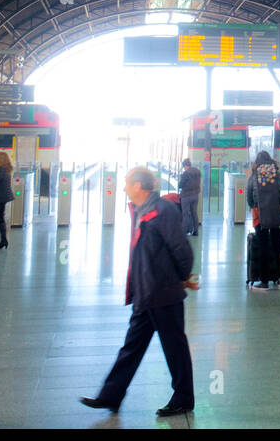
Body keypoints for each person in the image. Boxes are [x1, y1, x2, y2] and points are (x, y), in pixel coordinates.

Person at [81, 167, 196, 416]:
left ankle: (184, 397)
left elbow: (182, 250)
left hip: (164, 293)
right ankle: (110, 395)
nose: (123, 188)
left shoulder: (162, 211)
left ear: (138, 186)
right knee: (131, 348)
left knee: (174, 347)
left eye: (127, 184)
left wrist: (180, 278)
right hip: (146, 293)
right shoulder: (141, 210)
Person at [246, 150, 280, 289]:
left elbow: (249, 197)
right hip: (278, 215)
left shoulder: (254, 176)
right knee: (277, 246)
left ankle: (263, 281)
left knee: (263, 246)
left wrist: (255, 207)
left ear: (257, 162)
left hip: (260, 216)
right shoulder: (278, 175)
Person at [178, 158, 202, 237]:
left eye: (184, 167)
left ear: (185, 166)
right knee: (194, 213)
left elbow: (180, 185)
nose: (184, 168)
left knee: (185, 214)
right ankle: (195, 231)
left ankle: (184, 232)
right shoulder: (197, 171)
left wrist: (180, 185)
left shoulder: (186, 173)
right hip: (195, 195)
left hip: (186, 196)